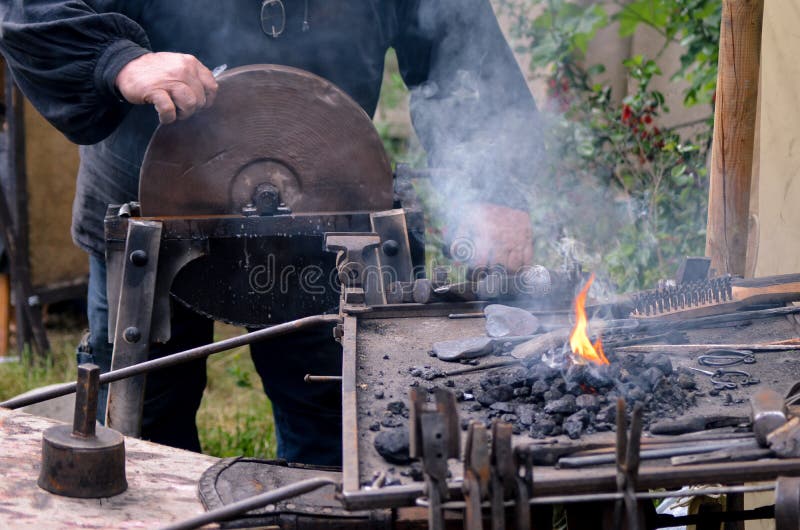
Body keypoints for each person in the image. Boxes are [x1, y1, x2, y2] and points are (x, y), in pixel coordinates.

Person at [0, 0, 542, 465]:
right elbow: (32, 12)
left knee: (335, 424)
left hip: (324, 216)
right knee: (141, 431)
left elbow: (456, 36)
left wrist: (494, 187)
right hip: (151, 206)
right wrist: (120, 62)